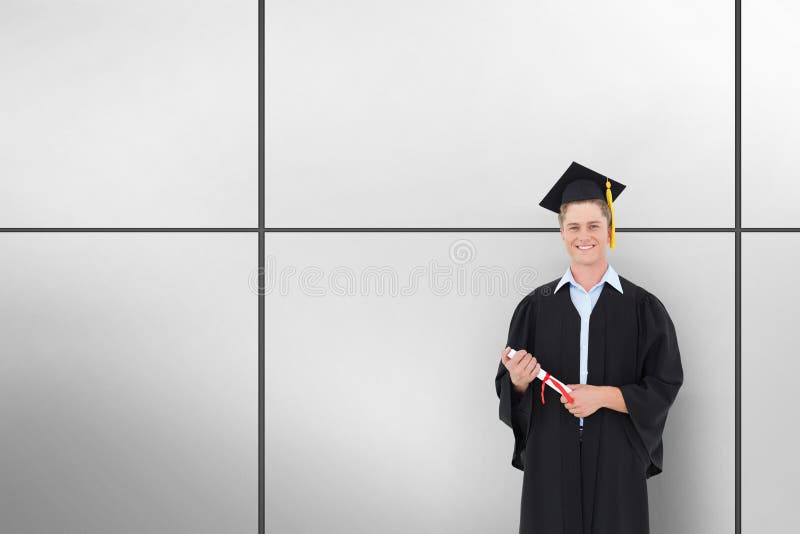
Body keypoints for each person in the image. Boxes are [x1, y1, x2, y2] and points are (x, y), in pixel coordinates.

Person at [494, 161, 683, 534]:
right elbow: (510, 389)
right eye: (574, 227)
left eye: (594, 225)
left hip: (617, 455)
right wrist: (517, 380)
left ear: (609, 229)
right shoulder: (536, 306)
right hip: (551, 454)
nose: (585, 235)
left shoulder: (642, 308)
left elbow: (665, 382)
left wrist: (603, 397)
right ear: (562, 233)